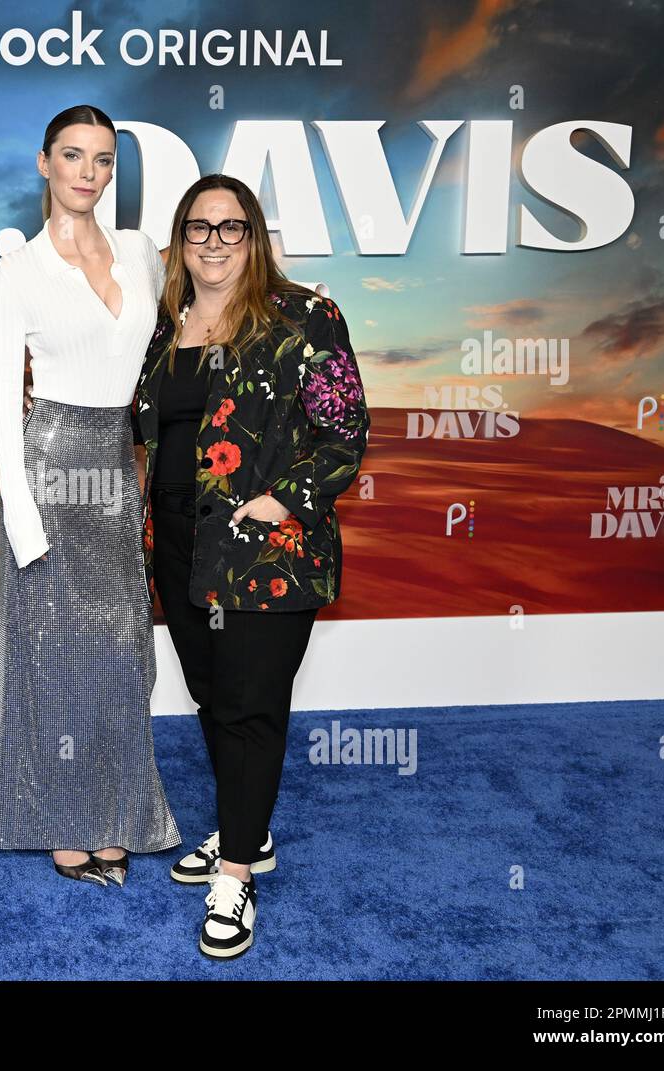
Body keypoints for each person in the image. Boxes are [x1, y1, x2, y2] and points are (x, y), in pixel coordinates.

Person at [135, 174, 370, 957]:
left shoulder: (305, 316)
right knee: (211, 695)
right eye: (198, 228)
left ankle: (236, 874)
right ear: (180, 241)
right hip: (178, 548)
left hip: (265, 552)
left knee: (250, 705)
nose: (213, 242)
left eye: (230, 228)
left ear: (255, 237)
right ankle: (249, 828)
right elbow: (150, 432)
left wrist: (282, 500)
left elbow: (345, 434)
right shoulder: (169, 329)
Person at [0, 104, 181, 886]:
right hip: (51, 466)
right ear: (44, 164)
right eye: (73, 156)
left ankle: (119, 810)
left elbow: (194, 313)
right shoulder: (17, 272)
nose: (89, 173)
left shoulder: (139, 252)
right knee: (57, 651)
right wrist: (22, 523)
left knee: (122, 648)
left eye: (103, 159)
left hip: (116, 462)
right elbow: (4, 410)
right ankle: (65, 819)